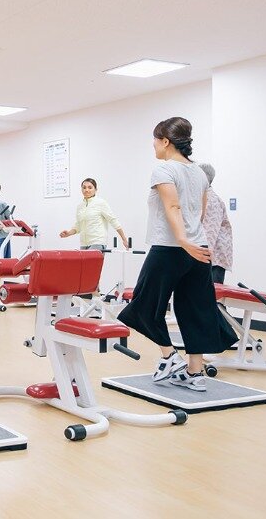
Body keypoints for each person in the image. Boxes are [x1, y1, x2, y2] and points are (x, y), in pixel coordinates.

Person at [117, 117, 236, 392]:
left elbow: (173, 207)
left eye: (155, 140)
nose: (153, 145)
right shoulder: (199, 173)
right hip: (198, 250)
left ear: (166, 141)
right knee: (196, 309)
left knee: (143, 306)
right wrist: (193, 240)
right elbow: (200, 212)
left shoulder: (164, 170)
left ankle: (169, 356)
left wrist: (182, 240)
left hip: (170, 248)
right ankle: (195, 373)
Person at [59, 178, 130, 251]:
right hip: (83, 245)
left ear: (95, 189)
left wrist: (124, 239)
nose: (86, 190)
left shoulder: (100, 203)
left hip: (97, 242)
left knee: (91, 259)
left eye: (90, 187)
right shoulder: (80, 206)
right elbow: (78, 226)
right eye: (84, 187)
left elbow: (113, 220)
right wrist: (68, 233)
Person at [199, 163, 233, 284]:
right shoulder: (203, 197)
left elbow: (210, 233)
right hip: (209, 258)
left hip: (214, 259)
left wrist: (199, 258)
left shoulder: (211, 200)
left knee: (211, 293)